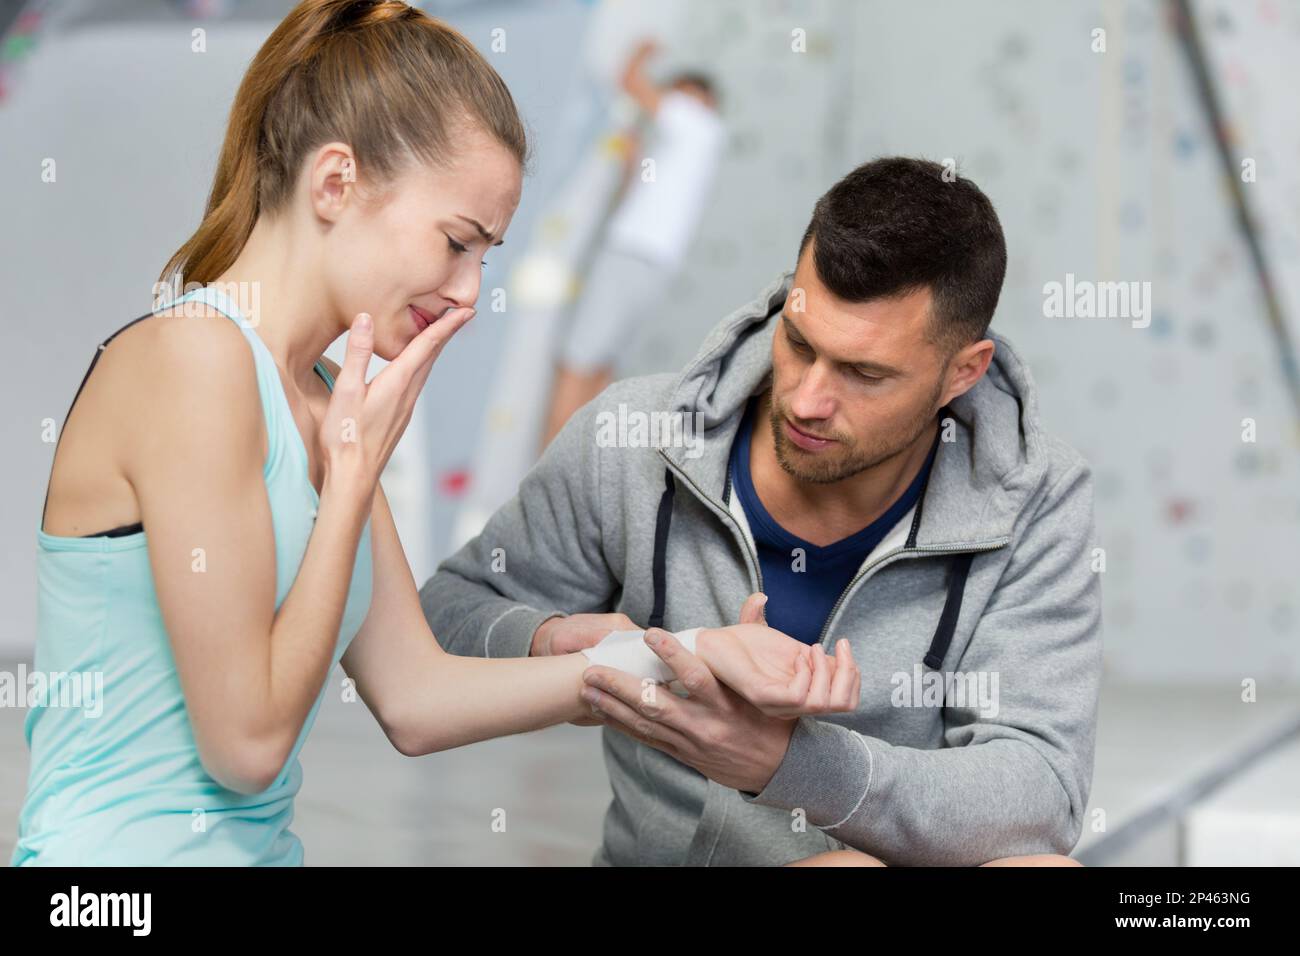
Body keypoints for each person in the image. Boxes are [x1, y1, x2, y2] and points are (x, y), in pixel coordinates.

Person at [11, 0, 846, 867]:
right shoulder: (194, 360)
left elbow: (417, 696)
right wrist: (349, 479)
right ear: (335, 183)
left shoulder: (328, 399)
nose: (467, 289)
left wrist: (682, 657)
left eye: (485, 255)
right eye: (457, 242)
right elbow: (247, 747)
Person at [421, 157, 1104, 867]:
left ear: (964, 372)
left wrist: (786, 764)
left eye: (864, 374)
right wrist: (561, 644)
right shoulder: (632, 438)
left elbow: (1041, 797)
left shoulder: (1038, 498)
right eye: (799, 343)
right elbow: (444, 618)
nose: (807, 400)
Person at [542, 38, 726, 448]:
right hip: (651, 263)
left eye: (677, 94)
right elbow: (635, 192)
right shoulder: (687, 150)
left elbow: (628, 79)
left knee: (577, 361)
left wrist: (643, 47)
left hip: (632, 253)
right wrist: (633, 159)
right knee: (600, 368)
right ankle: (570, 470)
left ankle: (542, 475)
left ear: (697, 99)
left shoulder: (698, 123)